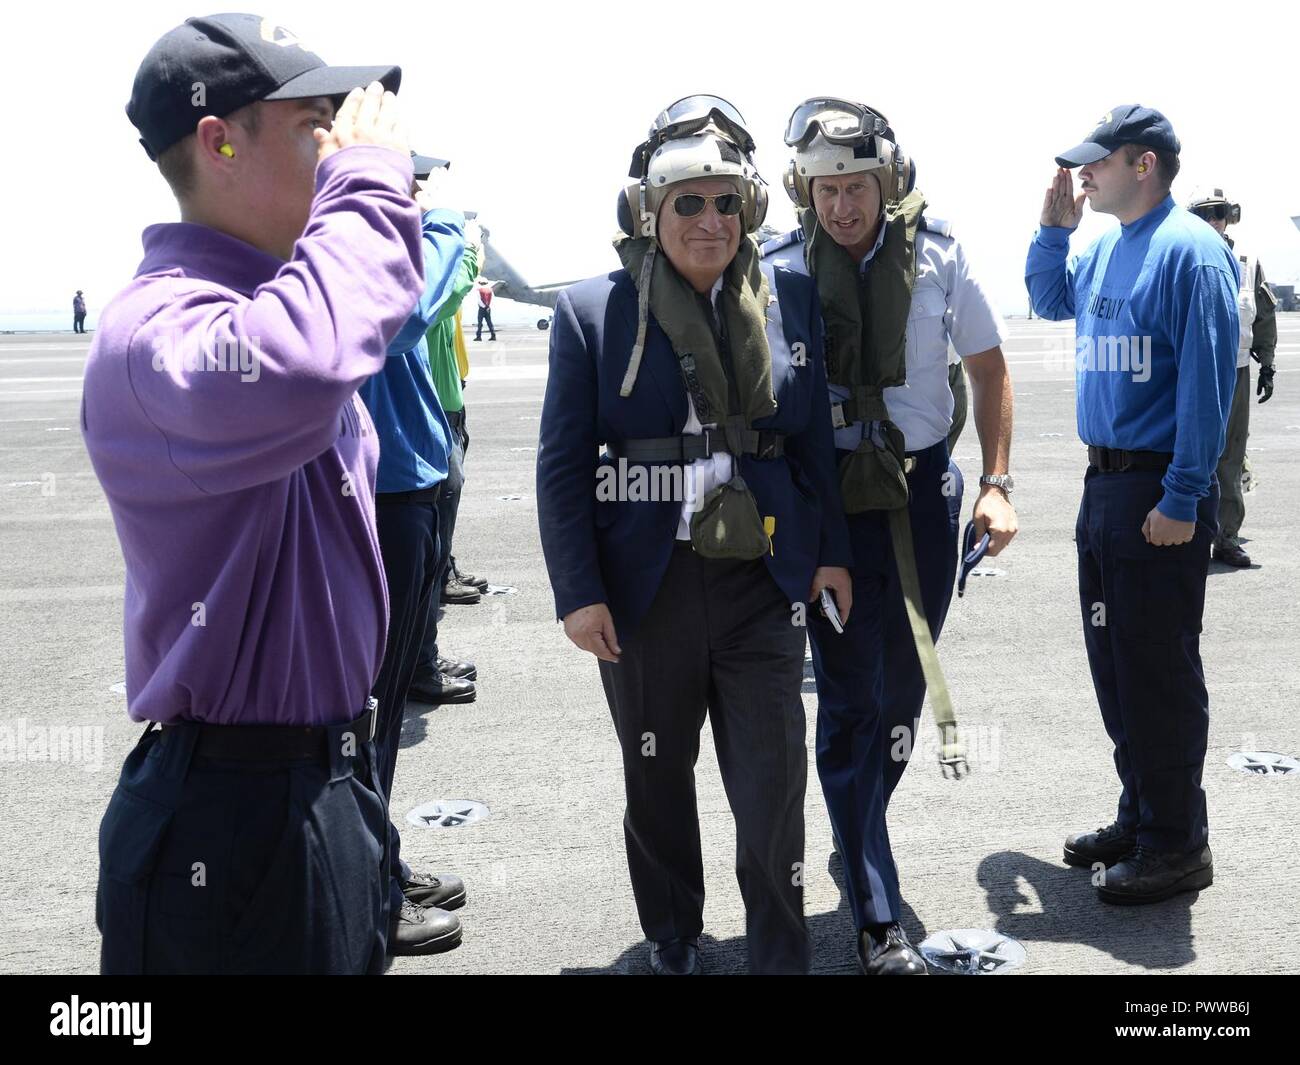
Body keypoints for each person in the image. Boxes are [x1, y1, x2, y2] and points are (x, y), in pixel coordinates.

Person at [86, 13, 417, 973]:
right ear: (218, 141)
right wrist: (368, 185)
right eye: (317, 121)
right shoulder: (155, 334)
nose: (343, 144)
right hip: (226, 823)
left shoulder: (263, 301)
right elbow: (306, 363)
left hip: (318, 788)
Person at [537, 96, 852, 975]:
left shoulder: (787, 295)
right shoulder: (590, 311)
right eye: (687, 202)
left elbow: (811, 441)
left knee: (771, 782)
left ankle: (778, 951)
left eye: (725, 202)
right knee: (656, 776)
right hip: (646, 589)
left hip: (761, 582)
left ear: (749, 207)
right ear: (650, 212)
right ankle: (674, 937)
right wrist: (578, 591)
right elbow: (561, 465)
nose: (709, 221)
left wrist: (830, 550)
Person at [763, 97, 1016, 973]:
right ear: (807, 189)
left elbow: (987, 367)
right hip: (831, 508)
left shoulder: (941, 253)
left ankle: (855, 822)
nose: (841, 205)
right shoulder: (780, 268)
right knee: (850, 699)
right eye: (825, 187)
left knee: (902, 694)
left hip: (921, 502)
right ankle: (875, 909)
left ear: (887, 180)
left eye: (856, 185)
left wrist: (996, 483)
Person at [1026, 104, 1239, 904]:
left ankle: (1178, 843)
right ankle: (1145, 812)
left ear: (1142, 164)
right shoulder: (1109, 245)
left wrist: (1185, 494)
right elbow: (1049, 299)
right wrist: (1054, 230)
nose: (1084, 174)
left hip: (1157, 487)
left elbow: (1209, 386)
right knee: (1117, 668)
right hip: (1104, 485)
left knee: (1157, 672)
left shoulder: (1191, 253)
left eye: (1098, 162)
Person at [355, 149, 474, 955]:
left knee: (387, 712)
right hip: (388, 495)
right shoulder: (370, 249)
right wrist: (440, 228)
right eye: (404, 177)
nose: (419, 191)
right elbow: (406, 320)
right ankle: (367, 891)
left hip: (415, 486)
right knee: (367, 719)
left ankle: (379, 864)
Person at [407, 162, 482, 707]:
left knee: (433, 554)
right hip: (420, 433)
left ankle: (420, 659)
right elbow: (443, 296)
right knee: (421, 560)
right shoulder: (411, 262)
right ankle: (418, 665)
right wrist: (458, 238)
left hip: (439, 411)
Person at [1186, 188, 1277, 568]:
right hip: (1189, 371)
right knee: (1187, 453)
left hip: (1236, 369)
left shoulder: (1246, 261)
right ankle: (1186, 535)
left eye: (1219, 213)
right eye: (1205, 214)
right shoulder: (1180, 254)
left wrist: (1267, 363)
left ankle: (1225, 538)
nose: (1213, 221)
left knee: (1231, 456)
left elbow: (1264, 314)